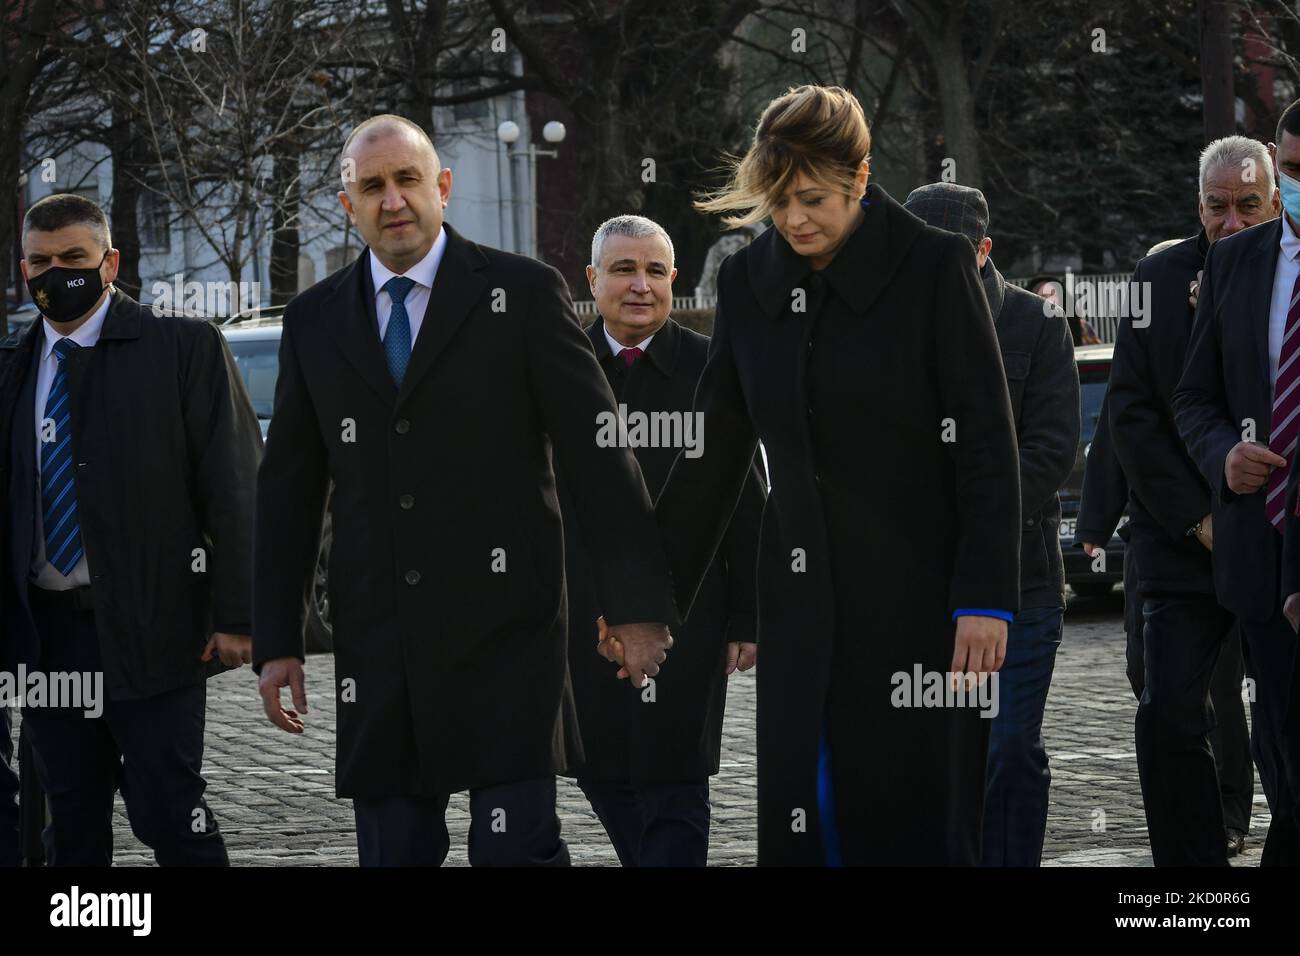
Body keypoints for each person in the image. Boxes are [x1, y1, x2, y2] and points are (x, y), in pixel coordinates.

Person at [252, 115, 678, 867]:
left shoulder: (520, 292)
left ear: (442, 188)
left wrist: (637, 606)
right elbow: (289, 486)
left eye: (408, 180)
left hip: (507, 635)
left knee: (515, 852)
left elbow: (600, 458)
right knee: (395, 855)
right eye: (372, 186)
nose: (393, 201)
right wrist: (276, 640)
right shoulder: (316, 321)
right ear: (347, 204)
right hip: (382, 644)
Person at [635, 85, 1021, 865]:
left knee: (915, 819)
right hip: (801, 608)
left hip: (923, 611)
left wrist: (984, 598)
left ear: (861, 175)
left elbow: (986, 444)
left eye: (812, 198)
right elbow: (711, 453)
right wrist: (644, 599)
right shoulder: (748, 284)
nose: (795, 219)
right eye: (778, 202)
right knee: (806, 811)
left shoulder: (935, 267)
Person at [0, 193, 260, 865]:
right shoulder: (14, 369)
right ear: (22, 268)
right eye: (40, 261)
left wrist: (239, 613)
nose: (56, 274)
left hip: (155, 631)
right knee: (69, 825)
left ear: (110, 263)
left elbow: (231, 487)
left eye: (74, 259)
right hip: (47, 640)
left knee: (172, 814)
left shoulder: (181, 347)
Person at [560, 215, 765, 866]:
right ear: (593, 281)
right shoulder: (561, 373)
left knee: (675, 779)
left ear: (674, 280)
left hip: (689, 617)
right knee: (602, 769)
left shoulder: (712, 371)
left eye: (654, 271)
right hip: (582, 618)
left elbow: (746, 501)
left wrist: (746, 616)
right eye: (623, 270)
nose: (640, 285)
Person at [904, 183, 1079, 867]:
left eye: (950, 258)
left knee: (1008, 749)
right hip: (916, 587)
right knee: (934, 760)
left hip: (1020, 585)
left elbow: (1051, 451)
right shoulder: (888, 324)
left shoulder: (1036, 325)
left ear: (984, 250)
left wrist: (971, 517)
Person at [1112, 138, 1275, 865]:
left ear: (1274, 201)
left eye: (1248, 204)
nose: (1232, 221)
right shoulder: (1157, 279)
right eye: (1218, 207)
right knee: (1168, 710)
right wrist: (1200, 519)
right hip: (1181, 539)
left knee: (1280, 715)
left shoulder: (1289, 275)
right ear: (1197, 206)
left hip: (1277, 533)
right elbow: (1133, 418)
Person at [1176, 104, 1300, 865]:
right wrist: (1224, 454)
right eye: (1294, 166)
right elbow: (1195, 396)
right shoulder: (1237, 263)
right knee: (1282, 740)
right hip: (1264, 542)